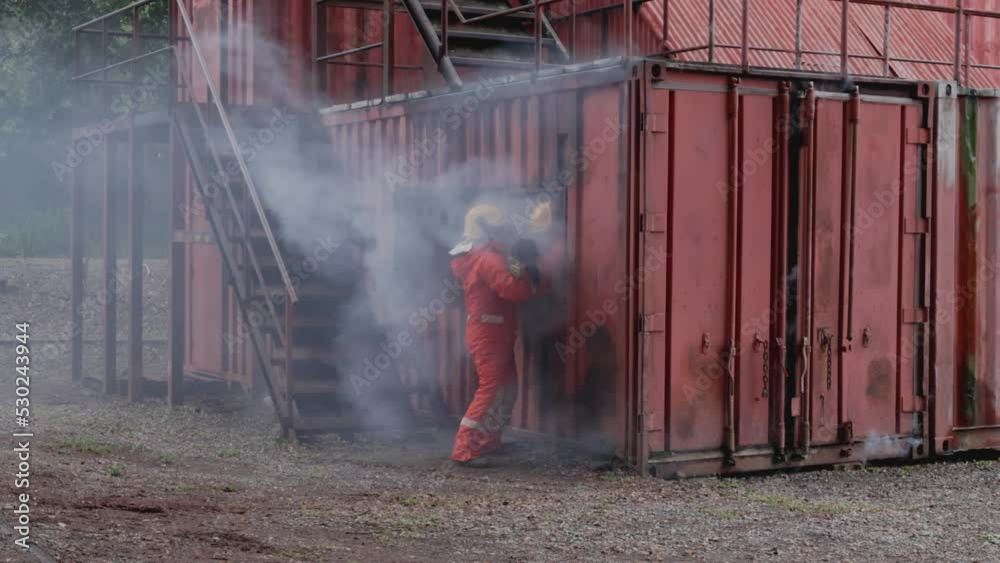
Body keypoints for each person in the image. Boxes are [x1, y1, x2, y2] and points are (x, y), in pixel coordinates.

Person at [449, 203, 545, 467]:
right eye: (499, 227)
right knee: (491, 389)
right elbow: (513, 291)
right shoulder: (488, 259)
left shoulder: (484, 255)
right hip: (488, 334)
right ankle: (463, 449)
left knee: (508, 389)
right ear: (487, 229)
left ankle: (487, 441)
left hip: (496, 332)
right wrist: (531, 277)